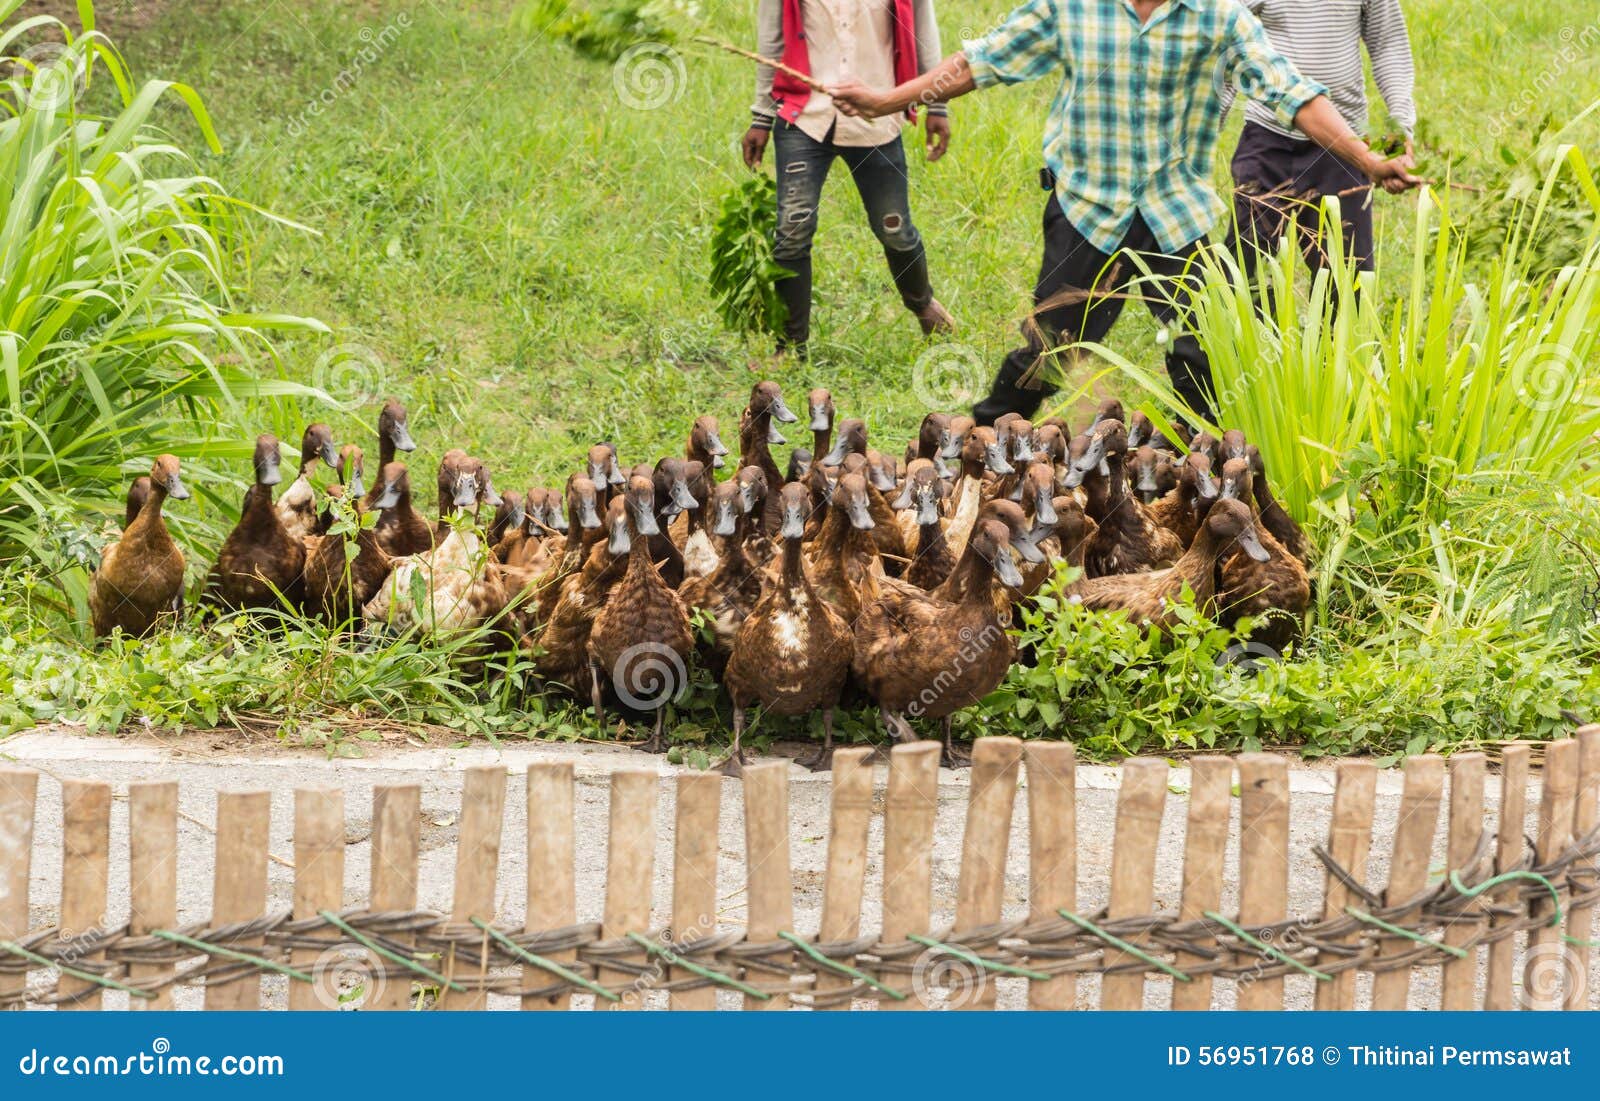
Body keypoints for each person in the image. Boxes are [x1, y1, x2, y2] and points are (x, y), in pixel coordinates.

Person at [827, 0, 1422, 427]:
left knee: (1205, 346)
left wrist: (1365, 159)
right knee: (1052, 350)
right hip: (1089, 208)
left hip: (1175, 212)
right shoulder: (1071, 9)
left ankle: (1204, 464)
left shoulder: (1218, 16)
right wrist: (886, 100)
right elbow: (979, 63)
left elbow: (1292, 93)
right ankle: (985, 438)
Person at [743, 0, 956, 357]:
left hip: (876, 119)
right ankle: (791, 344)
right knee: (792, 231)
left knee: (894, 228)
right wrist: (762, 117)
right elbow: (771, 42)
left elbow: (923, 33)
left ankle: (923, 303)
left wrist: (937, 105)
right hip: (803, 118)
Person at [1225, 0, 1418, 281]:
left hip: (1344, 146)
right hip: (1268, 139)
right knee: (1248, 268)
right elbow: (1226, 41)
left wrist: (1399, 127)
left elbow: (1388, 44)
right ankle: (1253, 326)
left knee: (1347, 277)